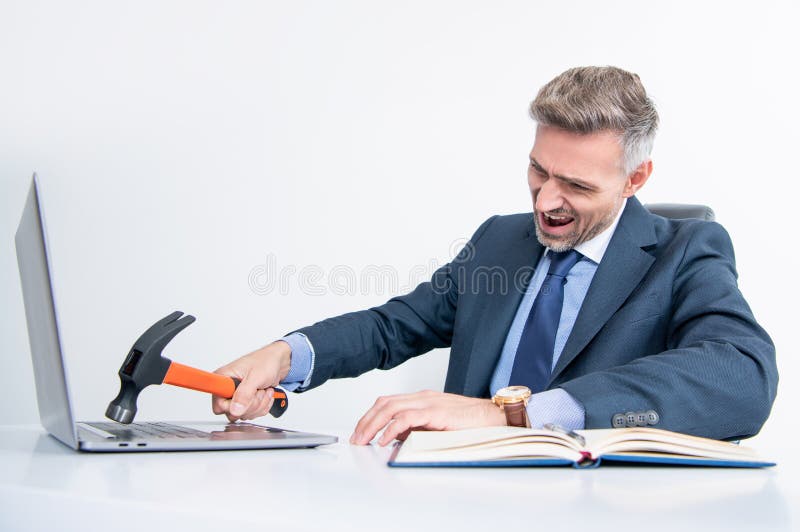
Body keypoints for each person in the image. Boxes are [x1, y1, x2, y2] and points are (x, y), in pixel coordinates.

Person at [212, 66, 778, 445]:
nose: (547, 202)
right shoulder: (501, 240)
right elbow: (394, 326)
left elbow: (743, 376)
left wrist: (513, 415)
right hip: (463, 494)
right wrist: (285, 358)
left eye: (577, 186)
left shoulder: (685, 251)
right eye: (538, 171)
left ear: (635, 178)